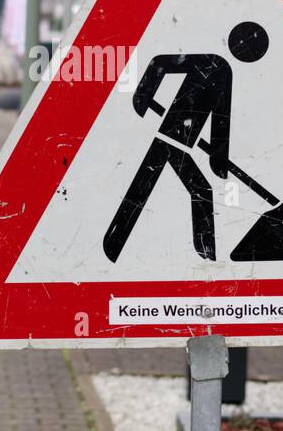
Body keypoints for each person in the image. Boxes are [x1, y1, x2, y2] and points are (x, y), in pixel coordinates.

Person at [103, 21, 269, 262]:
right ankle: (115, 245)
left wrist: (218, 160)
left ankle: (204, 257)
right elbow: (160, 63)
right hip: (168, 137)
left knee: (163, 186)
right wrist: (143, 96)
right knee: (174, 187)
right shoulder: (212, 62)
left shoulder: (223, 70)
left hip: (181, 144)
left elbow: (221, 121)